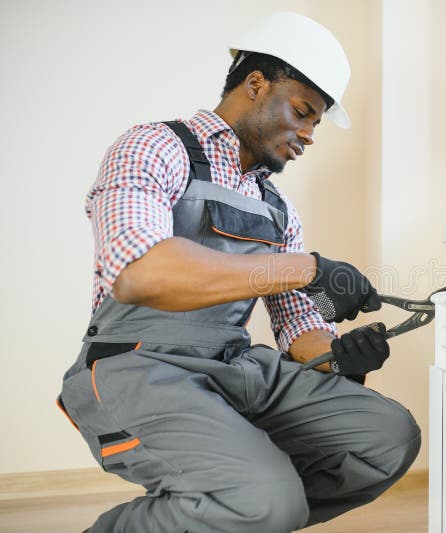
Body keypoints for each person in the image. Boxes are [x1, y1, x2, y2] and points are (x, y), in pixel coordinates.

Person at [57, 12, 421, 533]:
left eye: (316, 122)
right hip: (135, 367)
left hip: (232, 368)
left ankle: (249, 507)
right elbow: (141, 272)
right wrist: (307, 268)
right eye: (303, 112)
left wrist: (341, 359)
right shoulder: (154, 147)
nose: (310, 134)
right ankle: (253, 502)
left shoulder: (279, 210)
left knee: (385, 435)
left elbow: (301, 333)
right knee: (264, 498)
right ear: (255, 85)